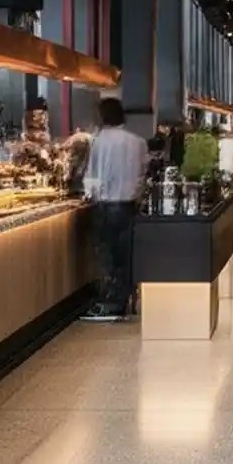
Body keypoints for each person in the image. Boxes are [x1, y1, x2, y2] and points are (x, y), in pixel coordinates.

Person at [81, 98, 149, 322]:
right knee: (126, 255)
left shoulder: (99, 141)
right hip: (129, 206)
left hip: (107, 205)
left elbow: (93, 175)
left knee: (108, 255)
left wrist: (88, 194)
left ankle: (111, 303)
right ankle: (127, 299)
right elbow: (142, 175)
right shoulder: (138, 142)